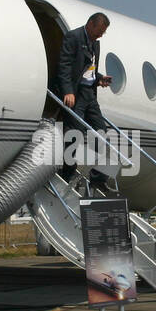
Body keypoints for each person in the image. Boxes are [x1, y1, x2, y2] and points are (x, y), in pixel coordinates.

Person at [56, 12, 113, 191]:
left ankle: (98, 177)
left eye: (103, 33)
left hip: (90, 94)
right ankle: (67, 172)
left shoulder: (96, 43)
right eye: (99, 31)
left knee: (102, 132)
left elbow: (89, 69)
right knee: (75, 132)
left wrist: (100, 78)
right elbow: (64, 65)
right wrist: (68, 91)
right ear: (90, 24)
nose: (101, 35)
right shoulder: (73, 37)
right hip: (76, 93)